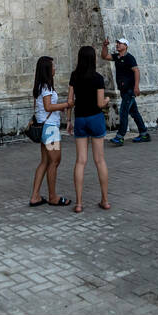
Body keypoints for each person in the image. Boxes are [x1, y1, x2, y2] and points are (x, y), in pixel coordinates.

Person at [67, 45, 111, 213]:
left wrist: (68, 120)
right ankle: (105, 200)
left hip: (80, 119)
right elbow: (100, 103)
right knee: (99, 160)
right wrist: (107, 100)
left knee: (80, 161)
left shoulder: (74, 76)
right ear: (93, 59)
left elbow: (70, 100)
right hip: (96, 118)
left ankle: (79, 203)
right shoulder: (98, 78)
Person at [29, 56, 72, 207]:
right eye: (53, 66)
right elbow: (48, 107)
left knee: (45, 161)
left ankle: (35, 196)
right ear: (47, 69)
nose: (55, 69)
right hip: (50, 128)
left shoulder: (41, 86)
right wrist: (65, 104)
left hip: (44, 126)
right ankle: (53, 196)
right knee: (54, 161)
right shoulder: (46, 87)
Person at [104, 37, 149, 145]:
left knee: (123, 112)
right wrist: (104, 46)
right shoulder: (117, 57)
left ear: (126, 46)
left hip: (129, 90)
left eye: (120, 43)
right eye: (117, 43)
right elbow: (104, 56)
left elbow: (136, 71)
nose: (118, 45)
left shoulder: (130, 58)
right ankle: (144, 134)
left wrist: (136, 87)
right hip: (123, 90)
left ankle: (120, 137)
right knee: (134, 113)